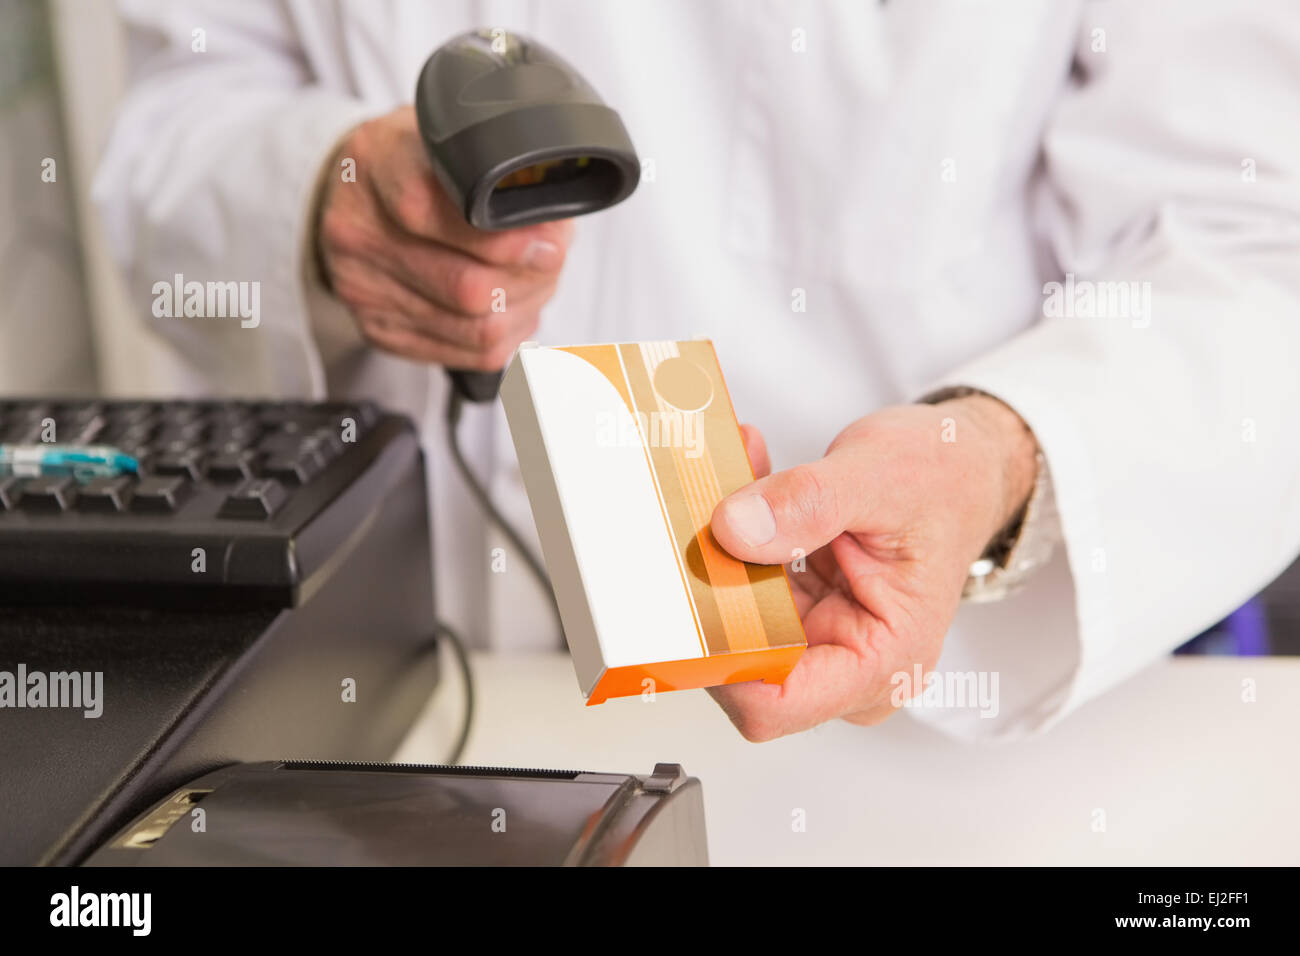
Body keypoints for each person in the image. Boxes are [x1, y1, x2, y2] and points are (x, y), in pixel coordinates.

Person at [94, 0, 1300, 741]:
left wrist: (997, 456)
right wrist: (318, 196)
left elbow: (1255, 245)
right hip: (415, 698)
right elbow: (173, 120)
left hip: (927, 722)